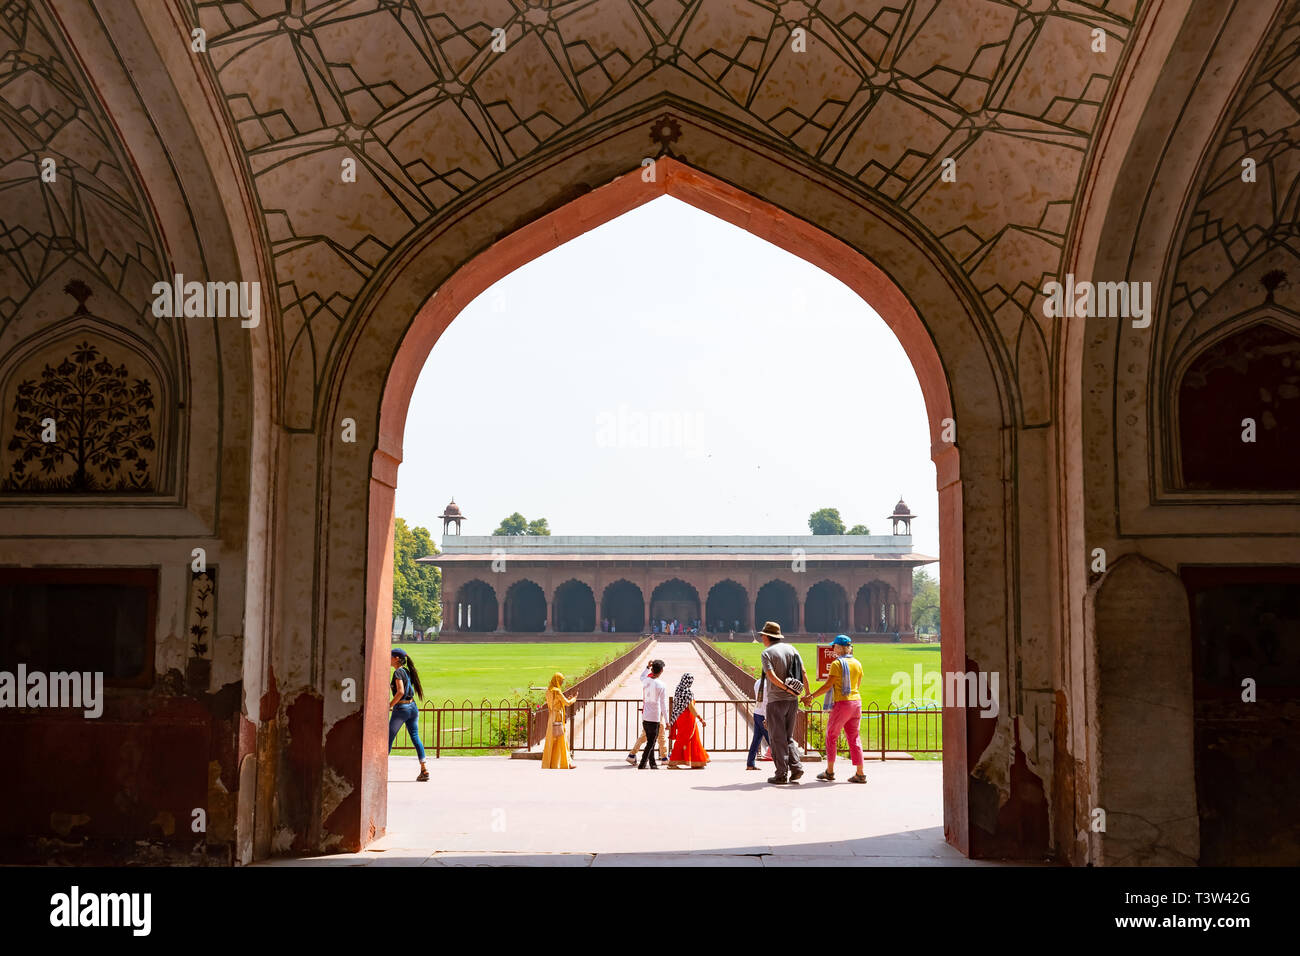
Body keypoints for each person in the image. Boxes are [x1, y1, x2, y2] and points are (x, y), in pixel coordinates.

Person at [802, 635, 867, 782]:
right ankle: (860, 773)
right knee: (854, 738)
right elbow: (857, 685)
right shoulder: (857, 663)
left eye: (834, 646)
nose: (833, 649)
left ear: (839, 647)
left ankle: (830, 771)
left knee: (831, 736)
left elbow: (827, 685)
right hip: (856, 702)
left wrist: (811, 696)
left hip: (842, 703)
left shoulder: (837, 664)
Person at [757, 620, 805, 784]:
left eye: (762, 636)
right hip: (792, 701)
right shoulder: (792, 649)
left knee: (777, 738)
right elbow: (803, 672)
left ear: (766, 637)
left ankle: (781, 774)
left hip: (776, 700)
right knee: (788, 737)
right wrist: (805, 693)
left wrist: (785, 688)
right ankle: (796, 767)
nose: (762, 638)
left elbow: (771, 676)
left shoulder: (767, 653)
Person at [388, 647, 429, 782]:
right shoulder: (406, 671)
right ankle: (424, 768)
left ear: (396, 659)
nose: (388, 658)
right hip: (412, 707)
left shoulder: (398, 673)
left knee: (388, 737)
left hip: (402, 709)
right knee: (415, 737)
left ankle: (379, 768)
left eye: (390, 656)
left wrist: (390, 705)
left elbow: (400, 691)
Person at [667, 673, 709, 768]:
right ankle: (672, 762)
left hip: (680, 718)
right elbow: (691, 707)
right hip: (687, 719)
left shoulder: (678, 689)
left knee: (692, 739)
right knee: (682, 740)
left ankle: (696, 761)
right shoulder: (688, 692)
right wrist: (700, 718)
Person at [541, 672, 578, 770]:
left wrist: (565, 700)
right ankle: (566, 763)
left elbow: (556, 703)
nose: (561, 683)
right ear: (557, 680)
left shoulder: (549, 691)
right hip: (557, 717)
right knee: (562, 740)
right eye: (561, 681)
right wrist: (574, 699)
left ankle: (549, 763)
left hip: (551, 717)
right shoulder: (557, 691)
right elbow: (567, 703)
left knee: (551, 741)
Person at [638, 659, 669, 769]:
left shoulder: (646, 681)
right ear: (661, 671)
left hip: (645, 715)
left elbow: (642, 676)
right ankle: (642, 763)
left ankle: (652, 763)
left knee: (650, 741)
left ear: (652, 670)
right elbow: (663, 704)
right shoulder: (661, 685)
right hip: (655, 716)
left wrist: (647, 667)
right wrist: (667, 721)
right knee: (651, 742)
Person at [745, 675, 771, 771]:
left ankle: (750, 764)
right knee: (772, 741)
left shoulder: (758, 681)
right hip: (763, 715)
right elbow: (766, 703)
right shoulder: (767, 685)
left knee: (756, 740)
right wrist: (766, 719)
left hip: (757, 712)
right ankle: (783, 765)